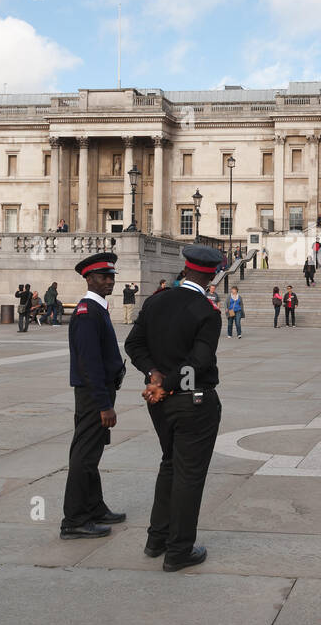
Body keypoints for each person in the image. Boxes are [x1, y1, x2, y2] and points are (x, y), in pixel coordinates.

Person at [124, 245, 223, 572]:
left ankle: (157, 539)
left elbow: (133, 344)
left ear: (185, 268)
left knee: (170, 464)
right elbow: (198, 362)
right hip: (193, 400)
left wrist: (154, 375)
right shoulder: (207, 311)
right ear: (212, 275)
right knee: (189, 475)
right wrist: (166, 384)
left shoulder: (156, 301)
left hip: (160, 403)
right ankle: (179, 550)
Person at [59, 252, 127, 537]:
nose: (109, 281)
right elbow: (89, 363)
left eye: (111, 277)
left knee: (92, 451)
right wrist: (103, 404)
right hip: (92, 394)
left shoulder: (98, 308)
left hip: (98, 391)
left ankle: (94, 506)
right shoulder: (87, 312)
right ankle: (74, 520)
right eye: (103, 277)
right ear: (89, 279)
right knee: (84, 455)